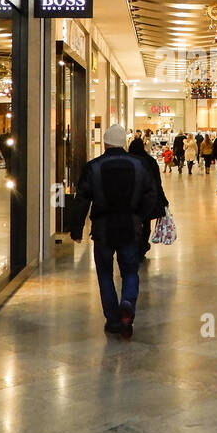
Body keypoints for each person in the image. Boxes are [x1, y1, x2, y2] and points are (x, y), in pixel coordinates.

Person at [70, 125, 161, 337]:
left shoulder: (93, 167)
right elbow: (151, 195)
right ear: (124, 143)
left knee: (104, 273)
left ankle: (112, 319)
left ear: (105, 142)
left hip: (103, 229)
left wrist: (76, 229)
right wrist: (139, 216)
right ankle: (127, 302)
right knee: (130, 270)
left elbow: (82, 199)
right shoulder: (139, 165)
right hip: (129, 226)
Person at [128, 135, 168, 261]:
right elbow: (157, 182)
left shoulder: (128, 161)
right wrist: (163, 199)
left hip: (131, 199)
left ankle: (134, 247)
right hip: (147, 199)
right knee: (145, 224)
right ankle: (143, 247)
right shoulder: (150, 161)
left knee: (132, 223)